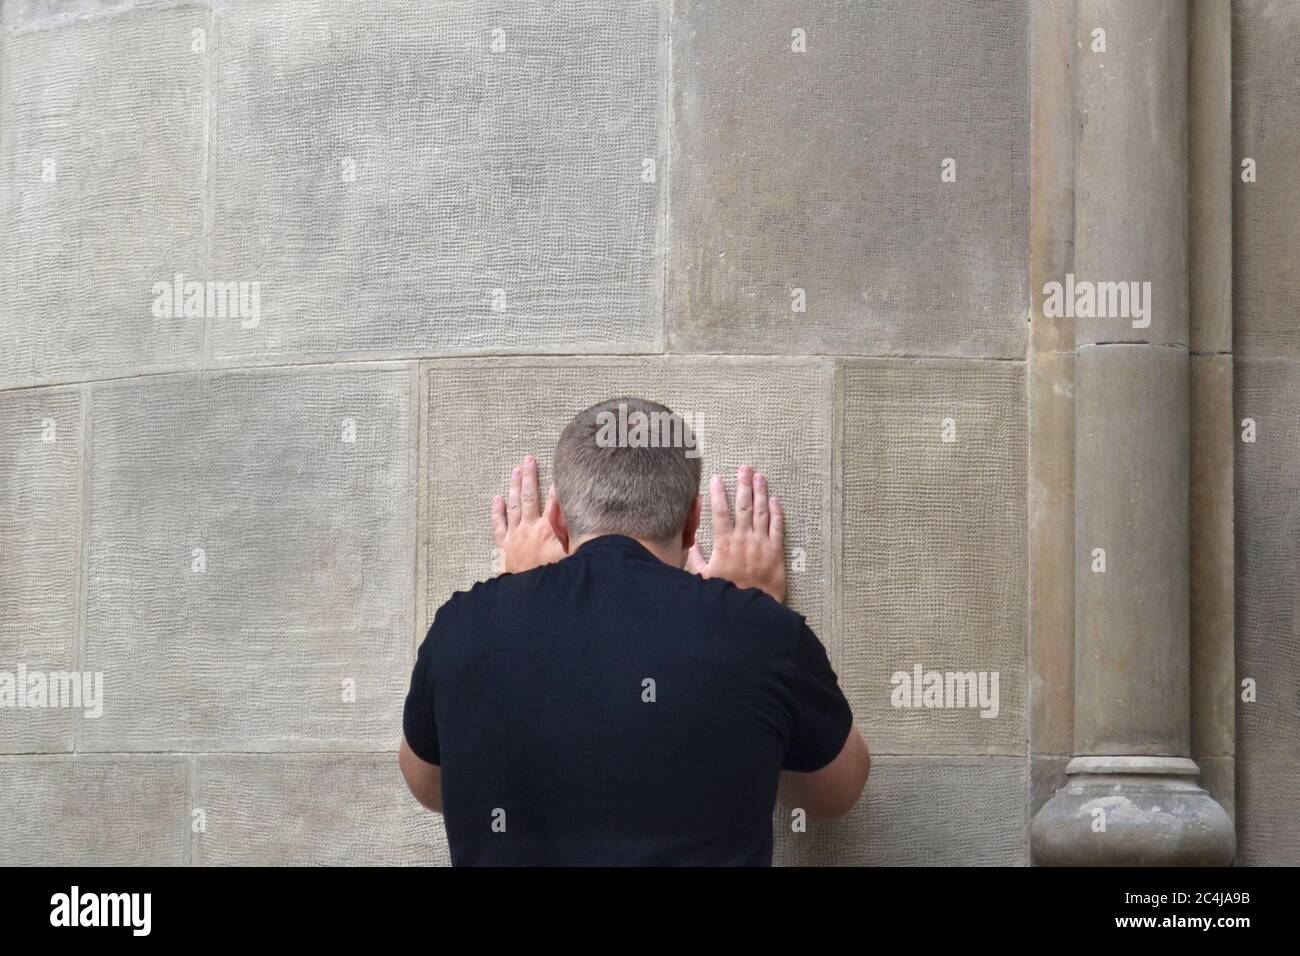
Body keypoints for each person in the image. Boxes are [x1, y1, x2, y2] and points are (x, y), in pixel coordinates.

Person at [400, 397, 869, 865]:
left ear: (558, 521)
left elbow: (428, 785)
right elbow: (837, 794)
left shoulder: (461, 629)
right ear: (691, 524)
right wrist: (754, 612)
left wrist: (515, 599)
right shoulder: (765, 635)